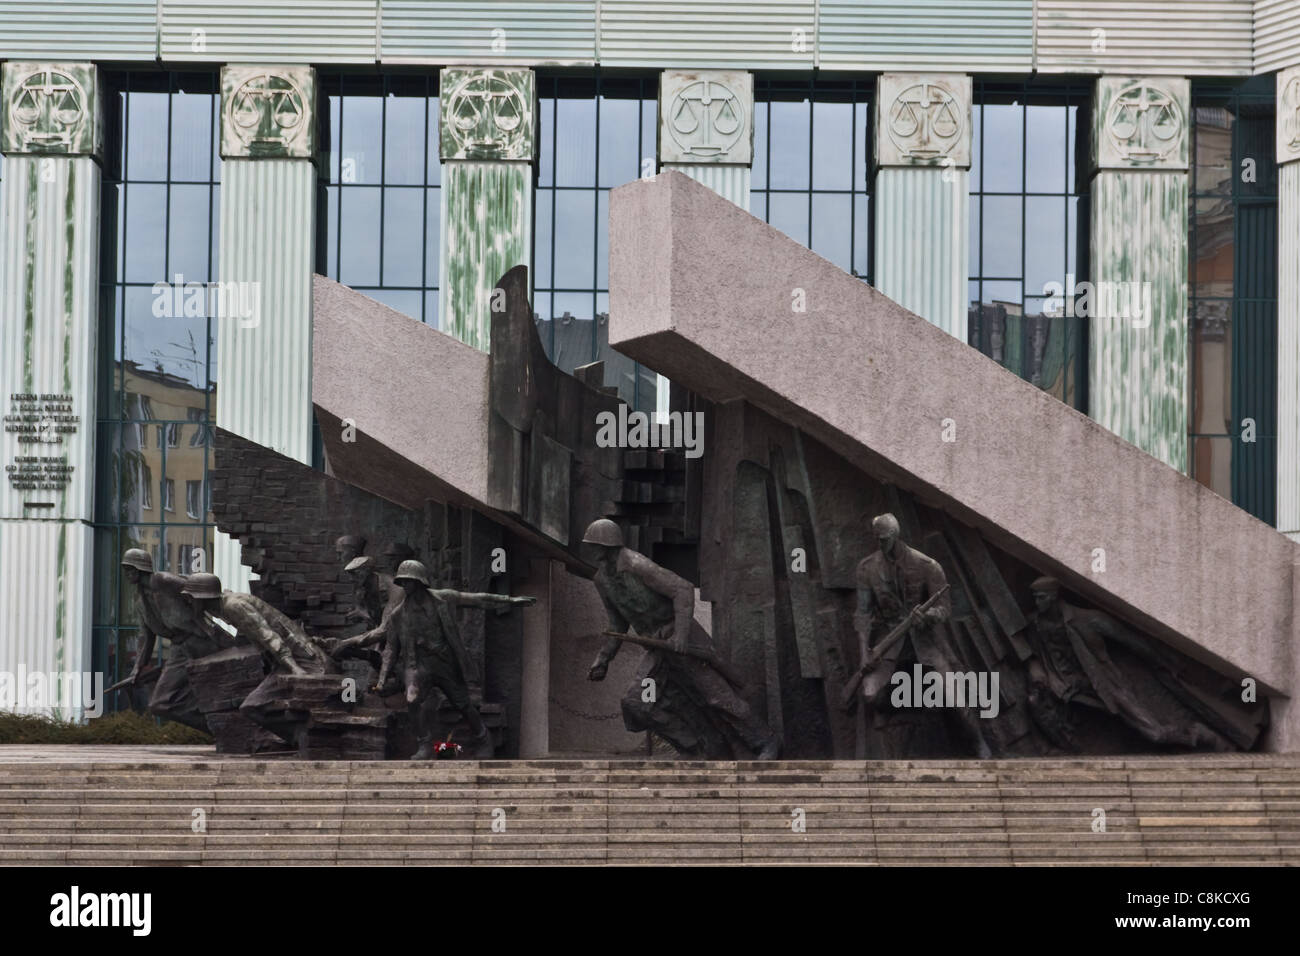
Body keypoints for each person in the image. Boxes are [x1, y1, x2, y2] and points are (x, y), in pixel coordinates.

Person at [583, 518, 780, 760]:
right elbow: (617, 623)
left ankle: (765, 740)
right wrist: (603, 658)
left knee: (717, 696)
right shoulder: (601, 580)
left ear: (607, 545)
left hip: (680, 635)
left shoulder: (637, 564)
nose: (590, 549)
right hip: (656, 649)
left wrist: (682, 635)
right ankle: (697, 748)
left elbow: (683, 589)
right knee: (637, 703)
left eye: (593, 544)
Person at [347, 559, 535, 759]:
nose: (405, 586)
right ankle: (424, 744)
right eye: (403, 582)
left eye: (409, 581)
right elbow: (391, 649)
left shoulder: (442, 599)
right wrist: (383, 679)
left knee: (462, 704)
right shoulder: (398, 614)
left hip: (445, 663)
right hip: (418, 666)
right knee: (412, 700)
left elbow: (476, 599)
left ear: (419, 581)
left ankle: (482, 737)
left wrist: (510, 600)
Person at [853, 513, 991, 757]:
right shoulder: (867, 568)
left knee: (955, 698)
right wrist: (865, 653)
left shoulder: (927, 565)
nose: (880, 544)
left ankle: (979, 744)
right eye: (876, 539)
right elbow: (862, 614)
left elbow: (945, 608)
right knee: (871, 695)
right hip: (889, 644)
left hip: (925, 642)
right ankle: (913, 705)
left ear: (895, 536)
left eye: (884, 539)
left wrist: (927, 617)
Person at [120, 548, 227, 732]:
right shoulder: (140, 601)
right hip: (179, 648)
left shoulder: (163, 580)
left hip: (202, 641)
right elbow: (145, 637)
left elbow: (198, 591)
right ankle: (219, 727)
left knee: (224, 688)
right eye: (126, 570)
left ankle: (226, 723)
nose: (128, 574)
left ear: (141, 569)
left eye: (131, 569)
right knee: (160, 703)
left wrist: (205, 617)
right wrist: (136, 669)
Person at [180, 573, 333, 676]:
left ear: (203, 597)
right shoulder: (224, 605)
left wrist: (295, 668)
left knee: (253, 706)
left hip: (304, 659)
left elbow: (267, 635)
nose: (189, 601)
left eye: (191, 597)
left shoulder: (233, 606)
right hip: (286, 660)